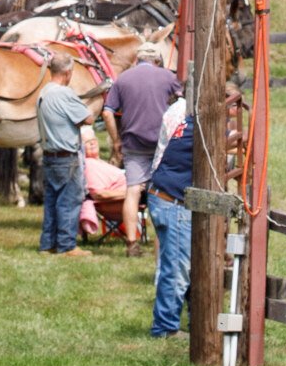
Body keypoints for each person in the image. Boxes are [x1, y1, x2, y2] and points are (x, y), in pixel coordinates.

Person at [102, 39, 182, 247]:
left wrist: (116, 140)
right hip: (162, 146)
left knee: (133, 190)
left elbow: (107, 112)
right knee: (163, 191)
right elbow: (184, 103)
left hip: (133, 144)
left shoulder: (122, 79)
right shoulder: (168, 76)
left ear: (137, 59)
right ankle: (161, 241)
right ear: (157, 60)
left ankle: (131, 242)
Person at [146, 95, 193, 336]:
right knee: (176, 269)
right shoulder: (204, 131)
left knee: (182, 266)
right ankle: (164, 328)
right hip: (172, 202)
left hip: (166, 198)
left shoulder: (192, 122)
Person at [36, 50, 90, 256]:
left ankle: (47, 244)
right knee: (69, 200)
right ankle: (67, 245)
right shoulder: (64, 93)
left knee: (52, 201)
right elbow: (87, 118)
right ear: (67, 72)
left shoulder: (43, 92)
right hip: (67, 156)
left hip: (49, 155)